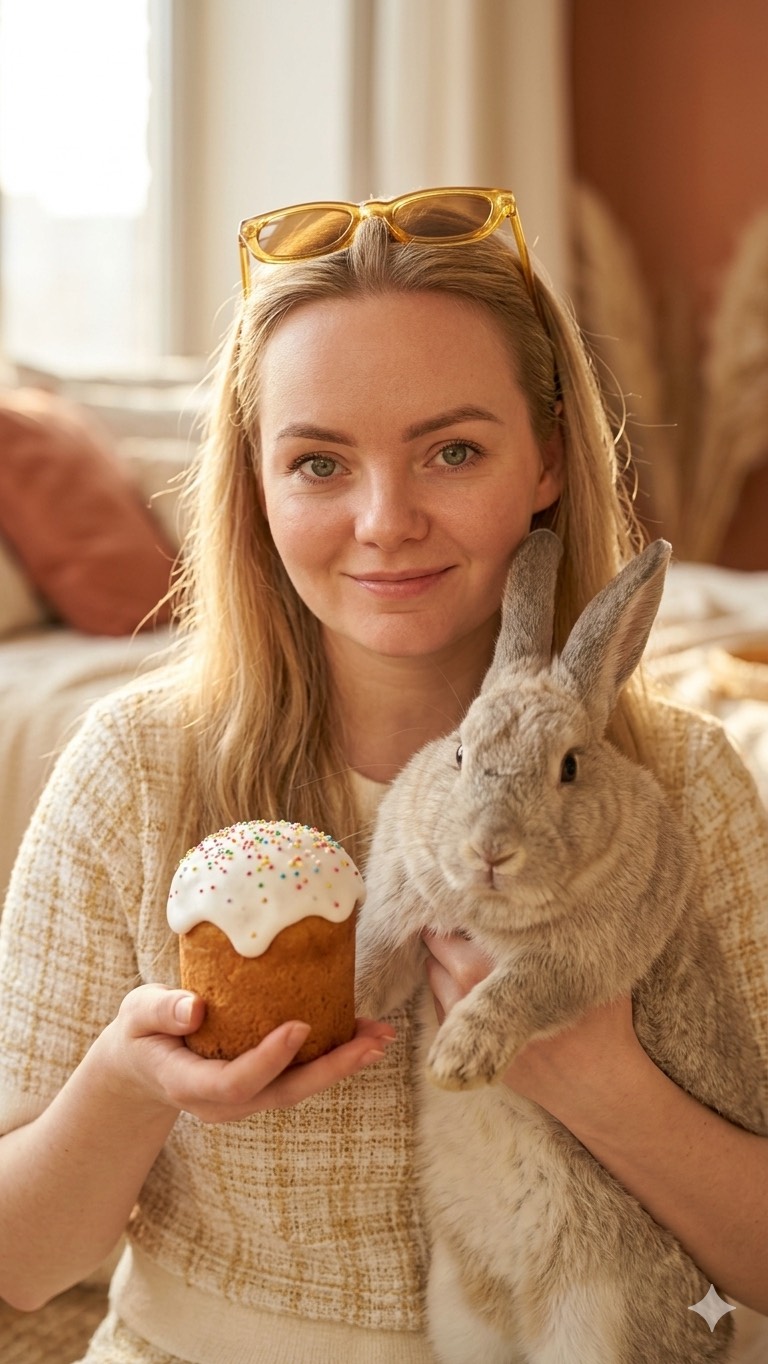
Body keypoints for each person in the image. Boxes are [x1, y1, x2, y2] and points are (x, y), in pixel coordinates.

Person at [0, 188, 766, 1363]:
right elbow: (18, 1264)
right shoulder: (135, 771)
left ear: (549, 459)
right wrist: (128, 1084)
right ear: (254, 484)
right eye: (319, 462)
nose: (385, 519)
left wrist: (605, 1082)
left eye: (452, 449)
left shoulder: (686, 784)